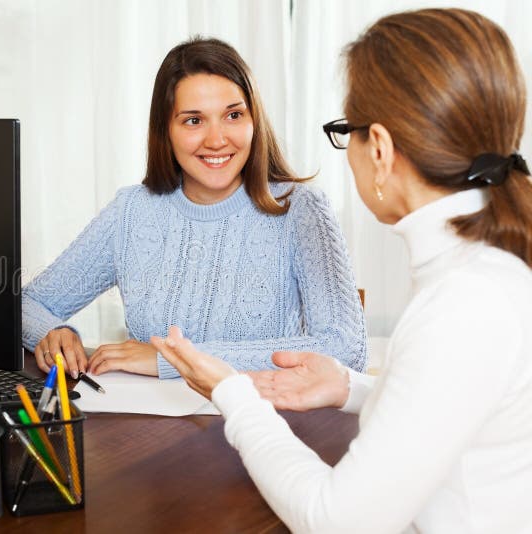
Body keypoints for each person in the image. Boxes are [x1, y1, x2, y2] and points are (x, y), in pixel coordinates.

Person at [153, 8, 532, 533]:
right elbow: (455, 411)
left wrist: (232, 393)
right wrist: (349, 387)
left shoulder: (464, 303)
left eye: (345, 132)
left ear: (379, 149)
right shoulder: (485, 273)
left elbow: (336, 520)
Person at [22, 37, 366, 379]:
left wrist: (176, 359)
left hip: (258, 413)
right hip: (147, 412)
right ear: (165, 131)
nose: (217, 140)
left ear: (254, 121)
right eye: (193, 120)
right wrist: (54, 333)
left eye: (233, 115)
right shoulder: (131, 212)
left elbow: (345, 348)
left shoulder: (300, 209)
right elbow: (26, 304)